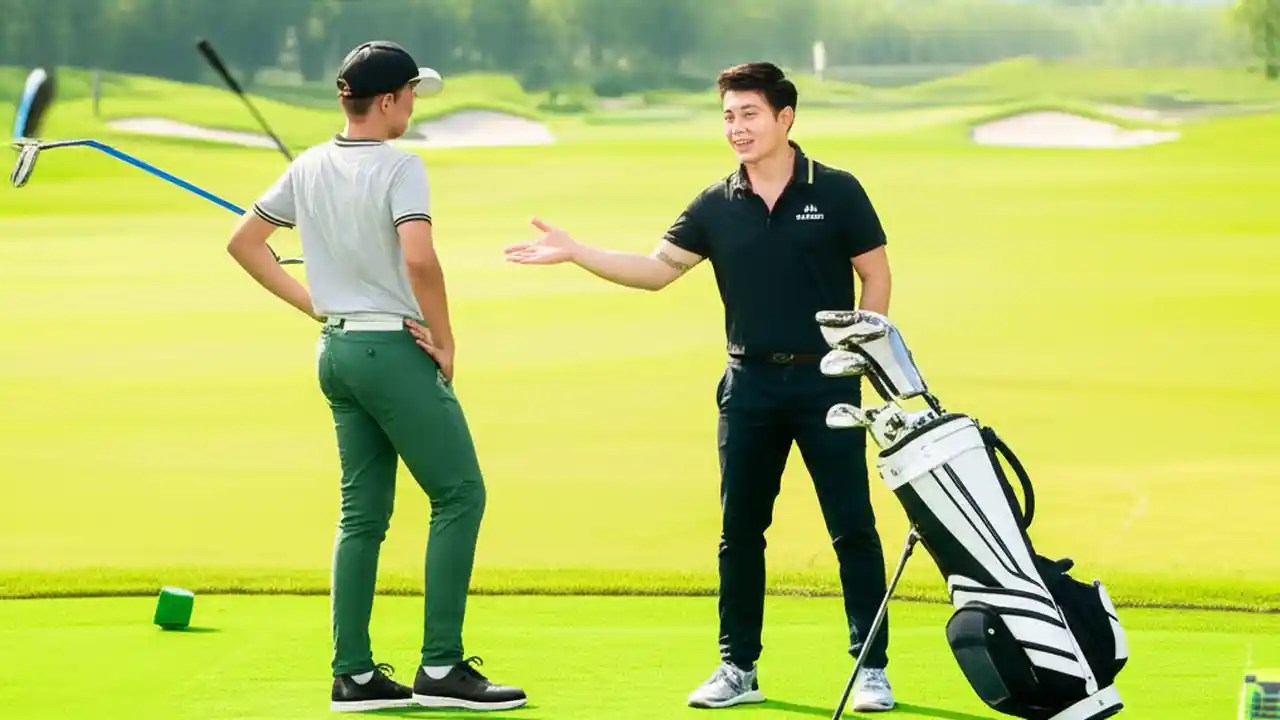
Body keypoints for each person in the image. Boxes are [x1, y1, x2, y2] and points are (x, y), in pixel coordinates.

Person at [503, 61, 896, 712]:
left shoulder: (837, 190)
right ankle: (738, 667)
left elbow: (875, 275)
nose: (736, 127)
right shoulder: (716, 204)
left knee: (851, 526)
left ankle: (871, 668)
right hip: (748, 386)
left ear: (785, 118)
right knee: (740, 532)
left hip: (825, 382)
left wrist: (859, 353)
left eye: (749, 114)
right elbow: (656, 270)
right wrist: (577, 251)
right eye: (729, 116)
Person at [225, 40, 526, 713]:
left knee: (361, 515)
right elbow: (419, 260)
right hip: (390, 351)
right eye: (411, 94)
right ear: (387, 100)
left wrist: (316, 304)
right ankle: (441, 667)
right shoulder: (401, 166)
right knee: (460, 494)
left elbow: (245, 243)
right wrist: (444, 338)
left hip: (335, 351)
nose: (414, 104)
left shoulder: (308, 165)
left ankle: (353, 676)